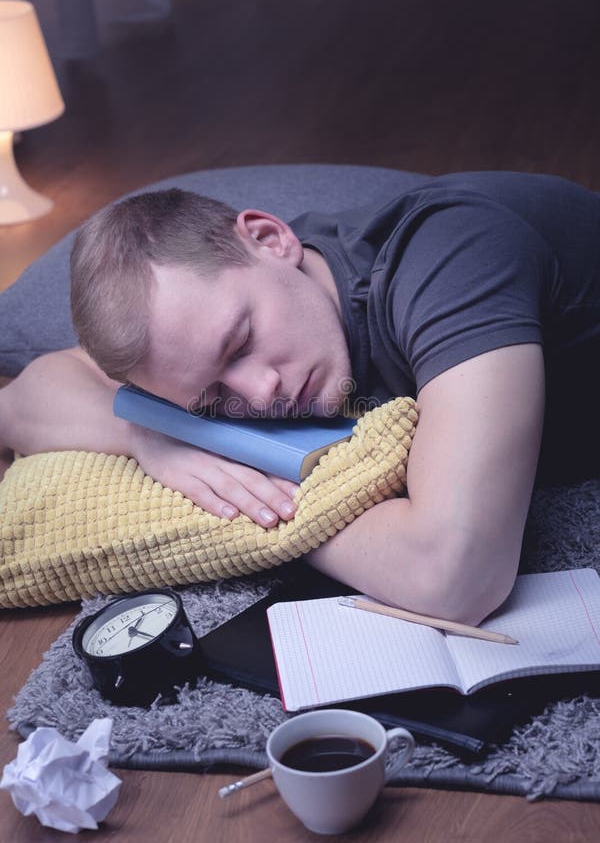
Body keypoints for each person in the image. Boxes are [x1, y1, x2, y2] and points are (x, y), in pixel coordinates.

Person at [1, 172, 598, 625]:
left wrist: (265, 516)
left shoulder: (452, 257)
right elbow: (20, 403)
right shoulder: (197, 333)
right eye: (210, 397)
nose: (259, 395)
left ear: (269, 238)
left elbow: (457, 577)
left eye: (241, 343)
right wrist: (149, 434)